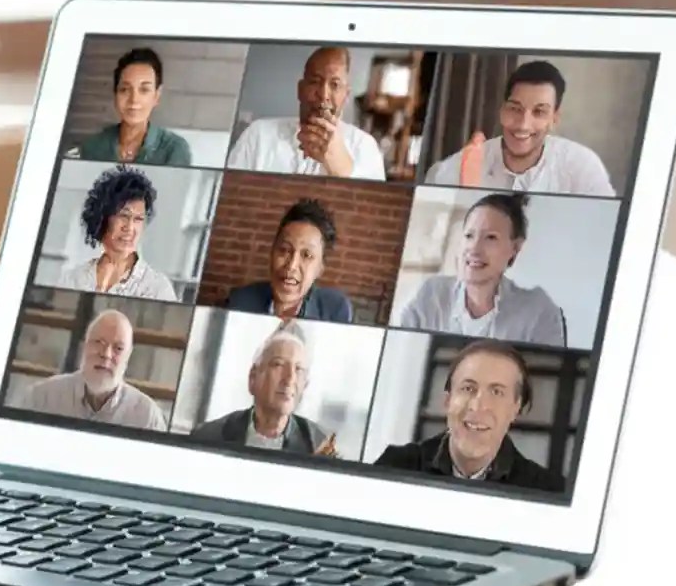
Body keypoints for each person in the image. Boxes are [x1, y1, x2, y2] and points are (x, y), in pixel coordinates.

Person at [375, 339, 566, 492]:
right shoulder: (395, 465)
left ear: (515, 409)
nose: (477, 406)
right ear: (447, 400)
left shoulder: (548, 489)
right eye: (468, 388)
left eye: (497, 392)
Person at [424, 60, 616, 197]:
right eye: (515, 109)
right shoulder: (460, 167)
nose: (523, 124)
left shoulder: (582, 166)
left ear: (554, 119)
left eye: (539, 112)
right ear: (501, 111)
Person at [396, 192, 565, 346]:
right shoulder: (431, 294)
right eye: (469, 236)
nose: (474, 249)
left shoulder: (538, 311)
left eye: (491, 237)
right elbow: (399, 347)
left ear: (515, 248)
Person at [227, 46, 386, 180]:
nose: (323, 94)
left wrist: (344, 171)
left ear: (346, 95)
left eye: (335, 85)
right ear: (300, 90)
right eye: (315, 82)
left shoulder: (366, 148)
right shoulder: (258, 135)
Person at [189, 322, 338, 456]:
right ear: (253, 378)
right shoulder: (207, 436)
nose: (290, 379)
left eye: (298, 369)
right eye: (278, 364)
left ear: (305, 385)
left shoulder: (320, 445)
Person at [9, 308, 168, 431]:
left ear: (128, 356)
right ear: (84, 347)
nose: (106, 354)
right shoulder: (40, 398)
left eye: (118, 348)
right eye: (98, 342)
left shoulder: (147, 418)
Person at [57, 165, 179, 301]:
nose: (130, 227)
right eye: (123, 216)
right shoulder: (73, 279)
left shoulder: (157, 288)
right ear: (103, 218)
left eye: (138, 219)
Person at [225, 199, 354, 323]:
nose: (292, 265)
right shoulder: (239, 303)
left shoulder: (334, 312)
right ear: (272, 252)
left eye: (307, 255)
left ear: (320, 269)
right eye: (284, 250)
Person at [71, 47, 193, 166]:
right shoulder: (93, 146)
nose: (134, 100)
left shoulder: (174, 150)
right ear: (115, 94)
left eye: (144, 89)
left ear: (156, 96)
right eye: (125, 90)